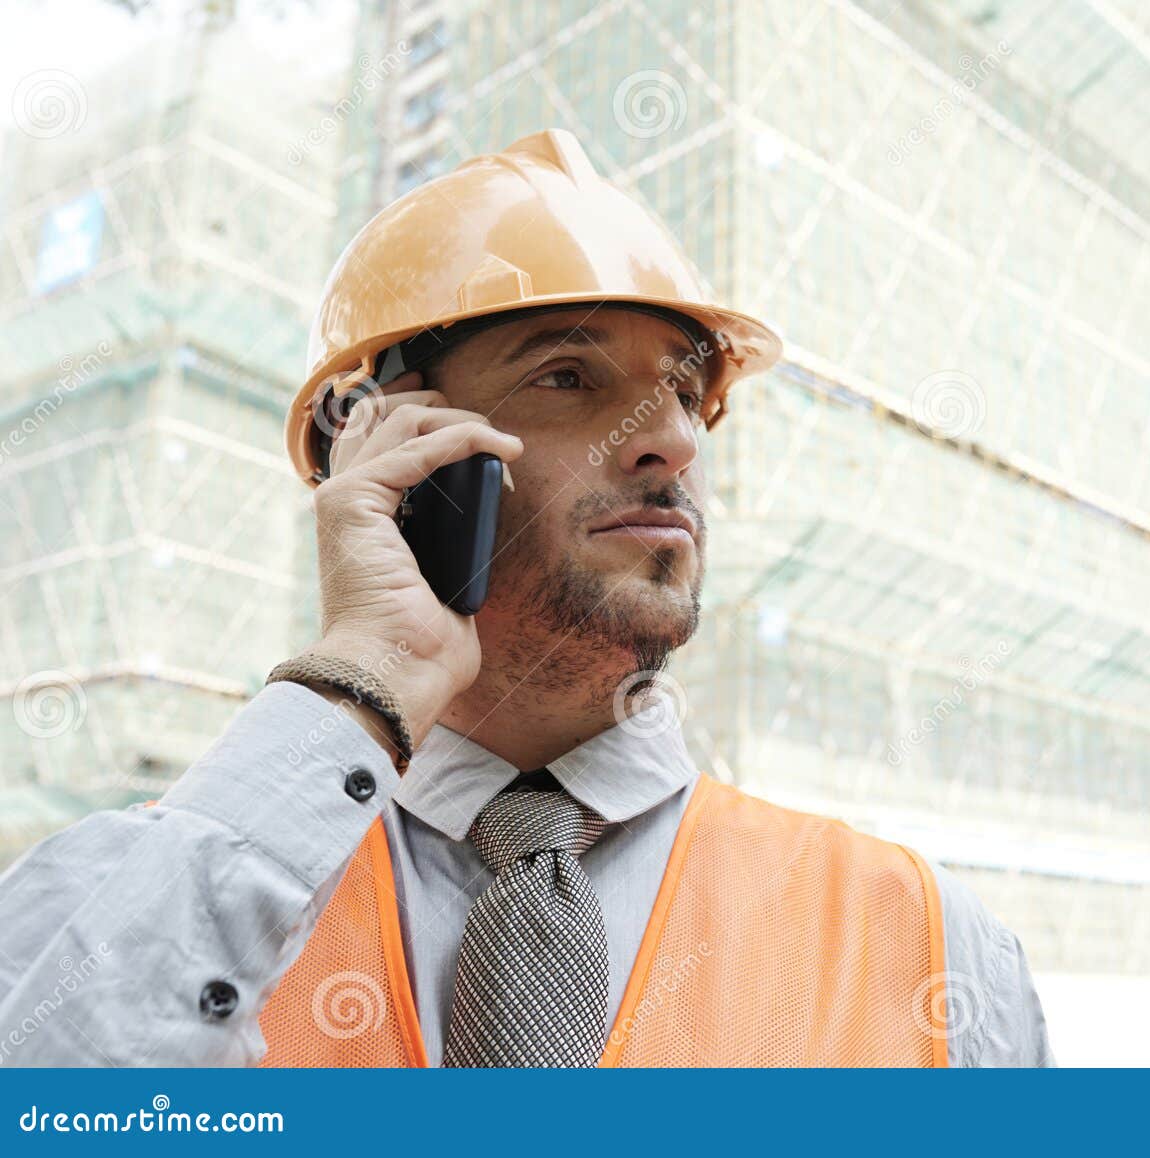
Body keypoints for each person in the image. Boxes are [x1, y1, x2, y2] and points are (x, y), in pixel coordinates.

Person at [0, 130, 1052, 1067]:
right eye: (566, 376)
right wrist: (363, 678)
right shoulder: (182, 895)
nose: (674, 440)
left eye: (686, 394)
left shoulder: (930, 950)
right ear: (389, 452)